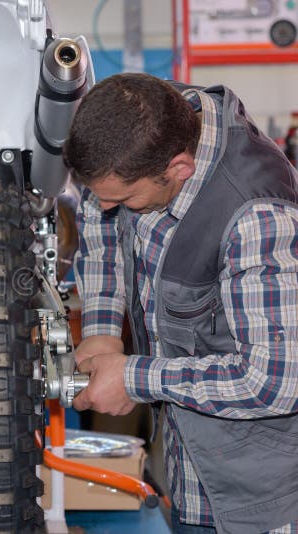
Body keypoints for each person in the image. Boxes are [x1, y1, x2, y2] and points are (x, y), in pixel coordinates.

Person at [63, 72, 298, 533]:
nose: (109, 208)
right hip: (187, 464)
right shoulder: (147, 121)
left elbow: (276, 379)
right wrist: (103, 328)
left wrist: (133, 376)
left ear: (179, 170)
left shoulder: (258, 217)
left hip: (258, 497)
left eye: (126, 200)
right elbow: (98, 217)